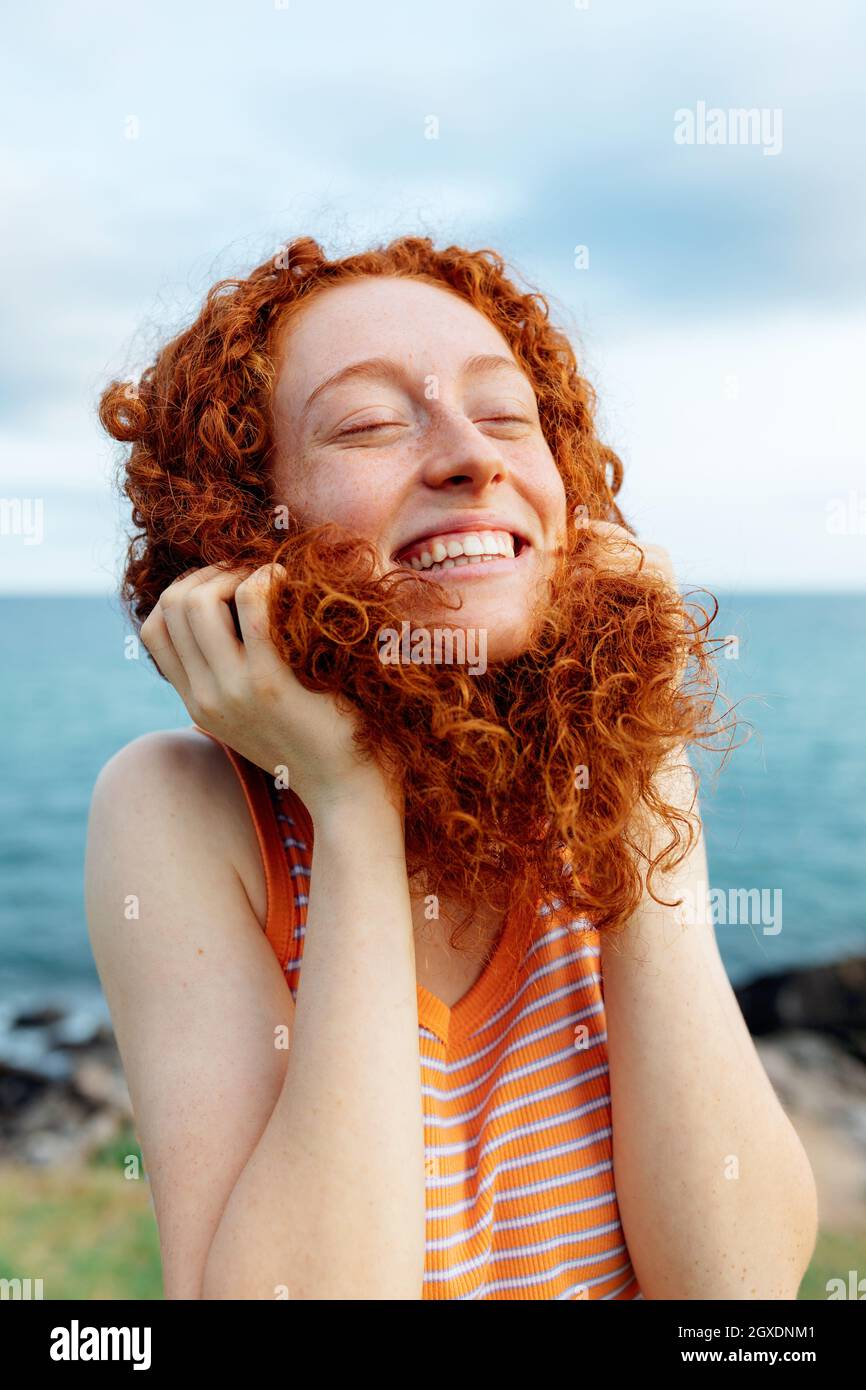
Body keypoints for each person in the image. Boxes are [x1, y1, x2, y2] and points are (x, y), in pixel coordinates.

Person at [86, 234, 818, 1300]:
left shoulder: (602, 776)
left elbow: (735, 1297)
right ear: (241, 525)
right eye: (371, 423)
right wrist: (348, 801)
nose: (473, 456)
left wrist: (633, 746)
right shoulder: (179, 812)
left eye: (508, 415)